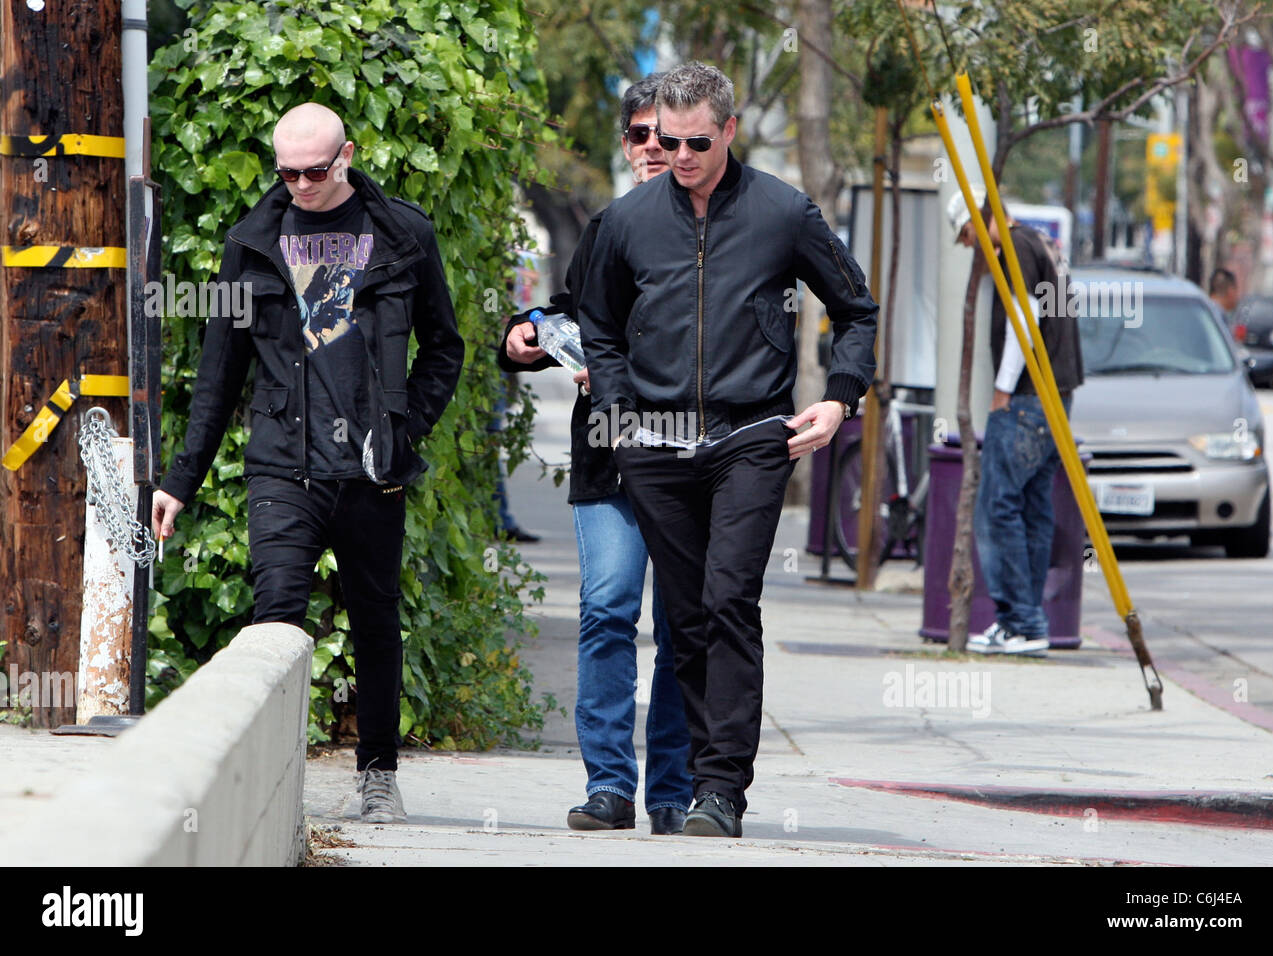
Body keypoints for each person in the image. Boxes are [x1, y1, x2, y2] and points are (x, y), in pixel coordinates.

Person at [577, 62, 878, 838]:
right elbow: (600, 327)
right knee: (684, 616)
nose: (678, 155)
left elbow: (856, 310)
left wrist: (841, 397)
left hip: (751, 437)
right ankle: (685, 782)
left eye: (696, 141)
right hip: (654, 444)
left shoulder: (783, 212)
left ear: (730, 131)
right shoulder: (629, 219)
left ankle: (721, 791)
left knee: (727, 603)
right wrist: (614, 407)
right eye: (667, 140)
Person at [151, 103, 464, 823]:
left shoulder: (402, 234)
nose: (298, 185)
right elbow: (218, 371)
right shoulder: (253, 242)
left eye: (314, 172)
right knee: (276, 620)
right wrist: (179, 480)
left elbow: (445, 346)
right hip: (281, 466)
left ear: (346, 155)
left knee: (376, 622)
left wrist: (404, 429)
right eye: (285, 172)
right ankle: (271, 787)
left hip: (370, 470)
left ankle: (379, 776)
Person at [499, 75, 692, 836]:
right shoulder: (608, 225)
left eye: (672, 137)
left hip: (688, 459)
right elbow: (576, 317)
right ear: (627, 145)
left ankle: (673, 793)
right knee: (609, 610)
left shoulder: (717, 226)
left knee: (681, 623)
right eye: (643, 135)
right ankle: (610, 786)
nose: (657, 148)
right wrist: (526, 334)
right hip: (610, 454)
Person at [946, 187, 1084, 657]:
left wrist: (1003, 388)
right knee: (1032, 509)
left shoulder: (1014, 246)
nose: (968, 246)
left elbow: (1025, 316)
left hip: (1027, 398)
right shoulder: (1041, 242)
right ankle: (1029, 624)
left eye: (966, 234)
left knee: (996, 507)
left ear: (982, 219)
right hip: (1054, 397)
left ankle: (1019, 619)